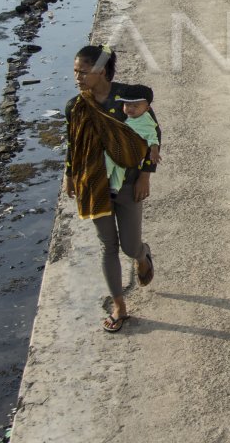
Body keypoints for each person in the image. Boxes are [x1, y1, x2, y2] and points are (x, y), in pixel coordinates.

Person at [64, 44, 161, 333]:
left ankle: (142, 256)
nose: (77, 78)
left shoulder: (128, 98)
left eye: (83, 72)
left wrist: (145, 175)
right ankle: (120, 305)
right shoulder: (76, 106)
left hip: (129, 184)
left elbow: (153, 135)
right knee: (108, 246)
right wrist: (70, 175)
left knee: (130, 246)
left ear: (101, 71)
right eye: (75, 72)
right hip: (93, 185)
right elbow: (74, 144)